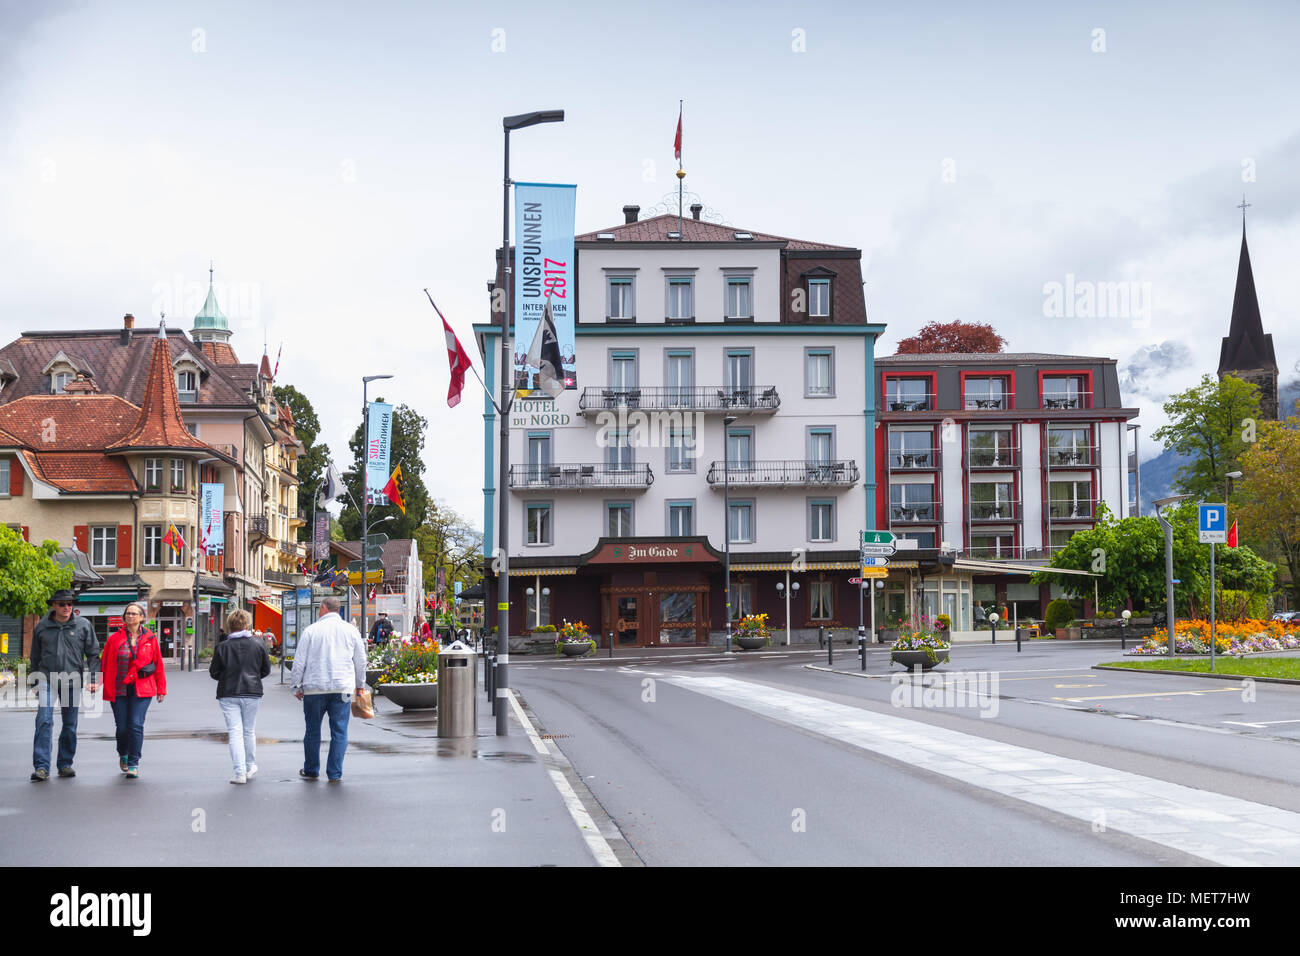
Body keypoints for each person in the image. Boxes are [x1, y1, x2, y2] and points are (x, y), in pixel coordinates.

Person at [291, 595, 365, 782]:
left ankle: (311, 769)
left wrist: (296, 686)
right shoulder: (351, 630)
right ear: (338, 609)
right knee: (340, 731)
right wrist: (360, 686)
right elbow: (360, 661)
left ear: (323, 608)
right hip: (342, 688)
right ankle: (334, 773)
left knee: (312, 730)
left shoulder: (311, 631)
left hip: (315, 688)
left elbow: (299, 662)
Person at [29, 589, 100, 781]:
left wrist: (93, 679)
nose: (67, 607)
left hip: (72, 681)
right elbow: (34, 656)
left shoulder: (83, 625)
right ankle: (42, 767)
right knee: (44, 720)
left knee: (69, 724)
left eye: (69, 603)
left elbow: (94, 654)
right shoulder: (42, 627)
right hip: (46, 679)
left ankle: (65, 764)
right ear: (53, 605)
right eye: (62, 604)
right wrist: (33, 682)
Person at [100, 601, 166, 778]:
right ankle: (123, 753)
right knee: (122, 728)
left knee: (135, 725)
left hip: (142, 689)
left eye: (134, 614)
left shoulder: (150, 638)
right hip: (119, 688)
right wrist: (97, 682)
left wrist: (161, 688)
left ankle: (133, 763)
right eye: (128, 613)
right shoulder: (114, 639)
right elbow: (104, 663)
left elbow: (158, 664)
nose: (130, 616)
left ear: (142, 617)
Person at [209, 608, 271, 784]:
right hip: (252, 692)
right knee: (248, 731)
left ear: (229, 625)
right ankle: (251, 765)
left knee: (235, 733)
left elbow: (214, 672)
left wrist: (226, 677)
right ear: (247, 624)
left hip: (228, 692)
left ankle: (239, 772)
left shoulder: (222, 646)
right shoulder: (258, 644)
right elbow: (265, 669)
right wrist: (254, 678)